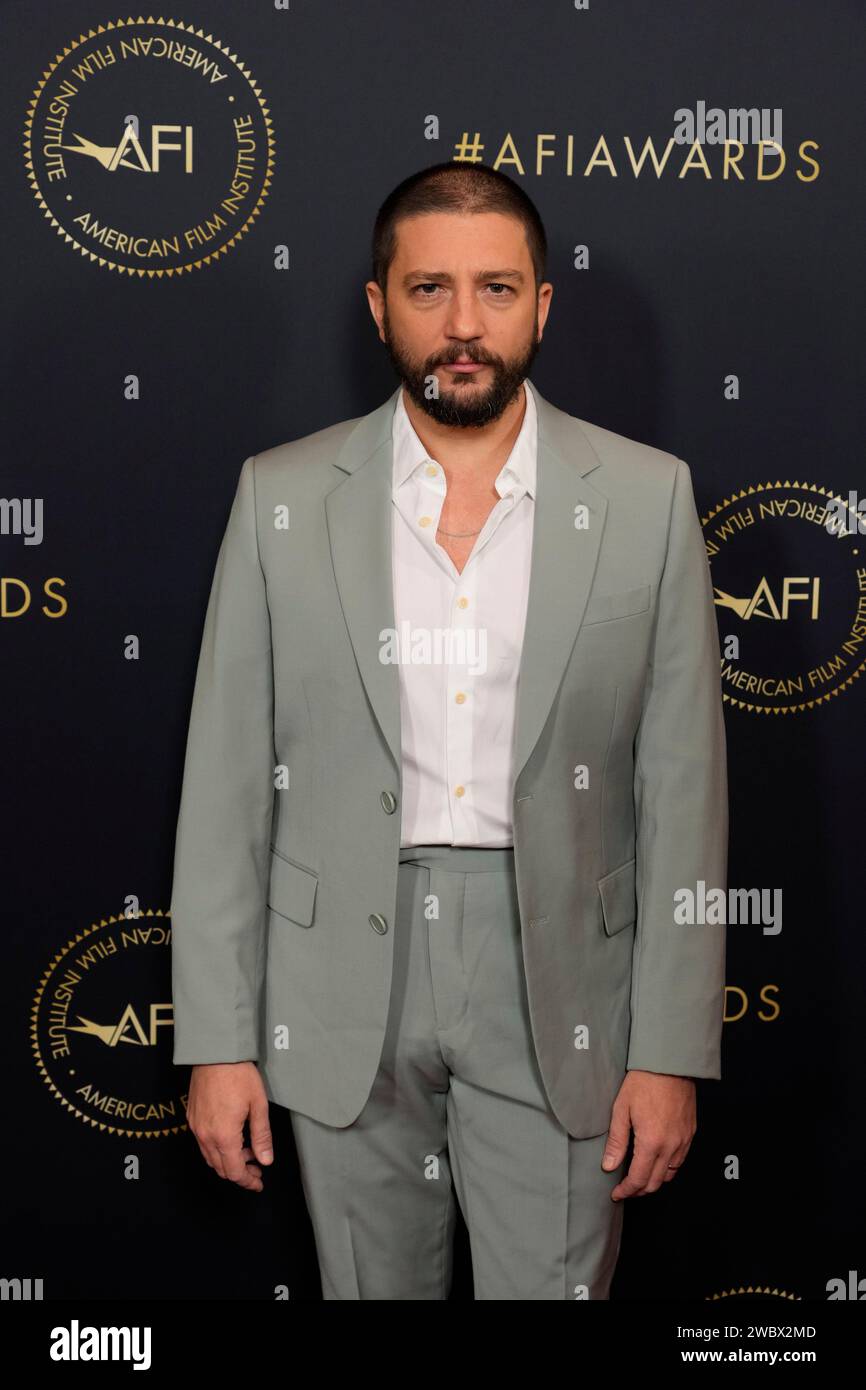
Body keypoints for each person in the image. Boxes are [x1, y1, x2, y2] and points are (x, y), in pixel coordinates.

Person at [170, 160, 728, 1300]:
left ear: (540, 304)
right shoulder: (281, 499)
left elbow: (682, 792)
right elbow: (226, 787)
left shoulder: (643, 496)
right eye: (428, 290)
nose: (464, 325)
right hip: (341, 981)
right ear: (379, 307)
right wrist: (215, 1039)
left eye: (495, 289)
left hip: (562, 968)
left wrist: (669, 1047)